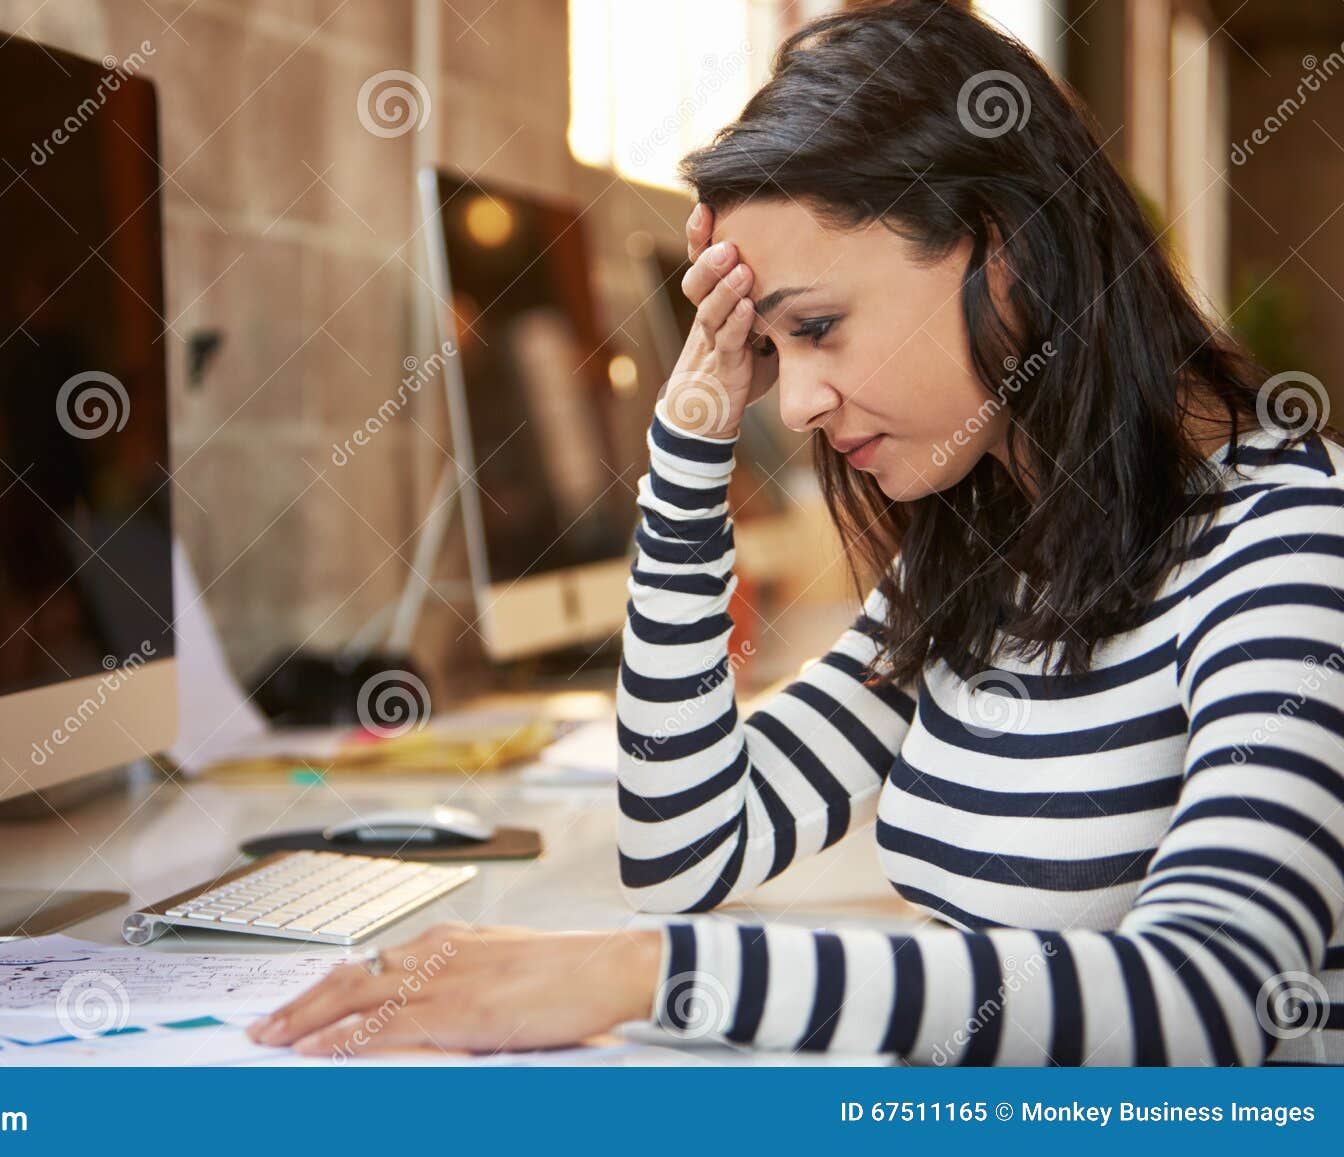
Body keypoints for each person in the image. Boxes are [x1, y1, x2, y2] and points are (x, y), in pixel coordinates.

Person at [248, 0, 1344, 1064]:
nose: (799, 402)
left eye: (817, 326)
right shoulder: (991, 548)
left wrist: (649, 973)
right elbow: (683, 851)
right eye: (774, 348)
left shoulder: (1291, 543)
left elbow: (1214, 999)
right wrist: (688, 455)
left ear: (1004, 251)